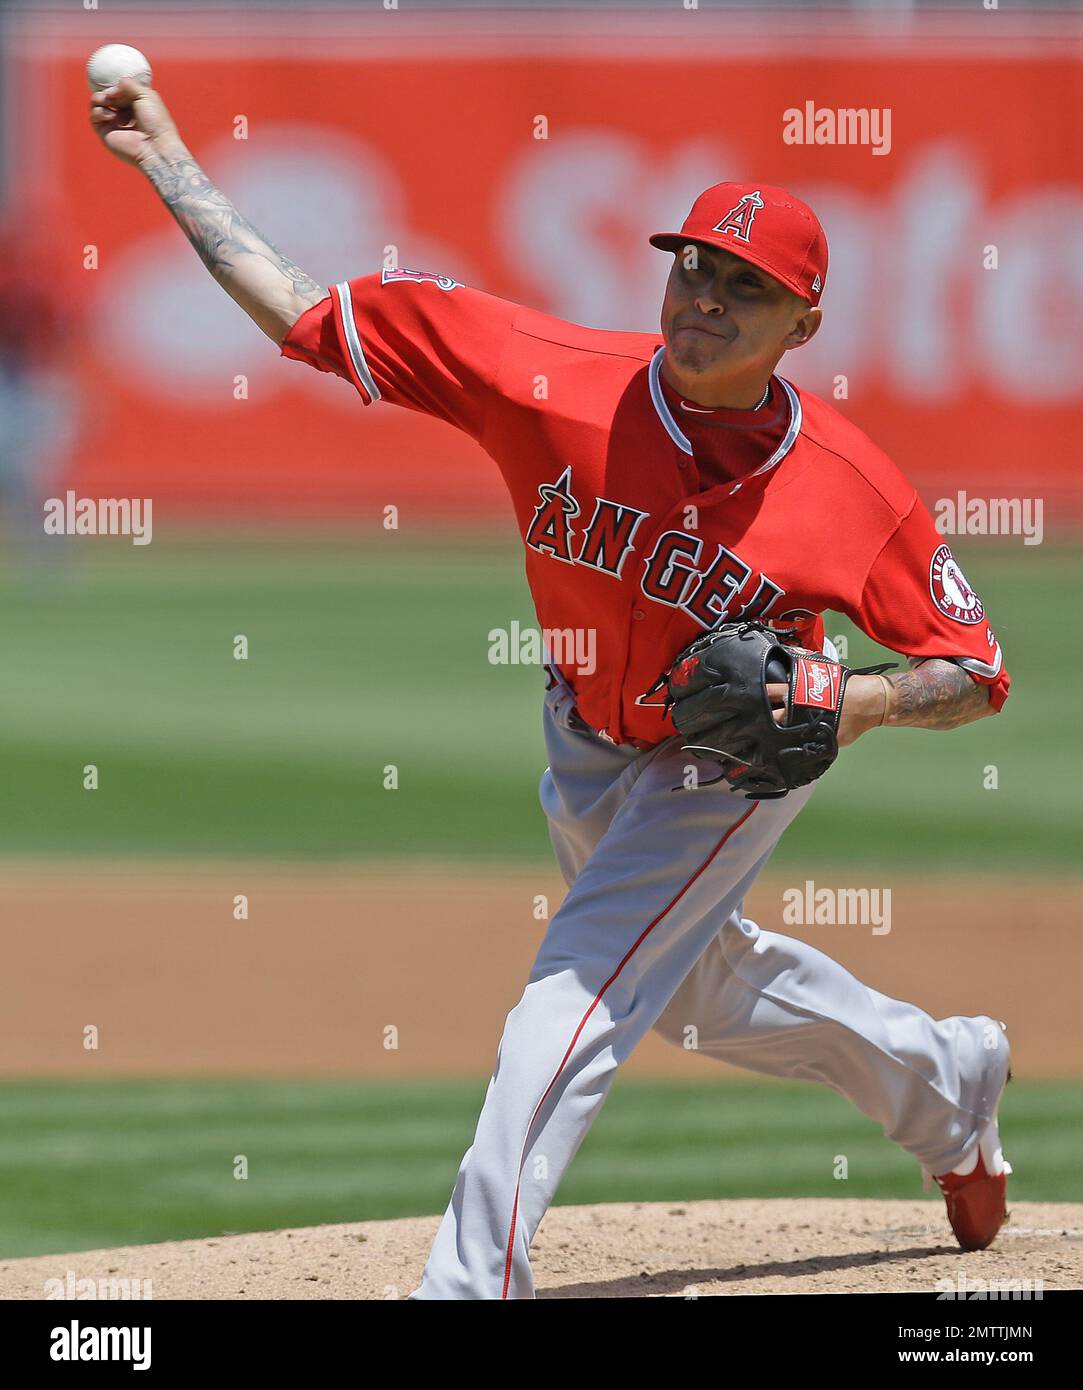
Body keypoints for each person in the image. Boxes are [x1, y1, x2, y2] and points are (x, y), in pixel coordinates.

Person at [91, 79, 1013, 1301]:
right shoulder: (548, 375)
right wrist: (164, 156)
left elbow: (977, 670)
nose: (706, 297)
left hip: (729, 760)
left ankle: (469, 1283)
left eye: (745, 286)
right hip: (583, 733)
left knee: (571, 998)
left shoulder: (851, 487)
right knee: (701, 991)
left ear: (805, 323)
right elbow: (306, 312)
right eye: (694, 266)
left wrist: (858, 701)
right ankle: (947, 1084)